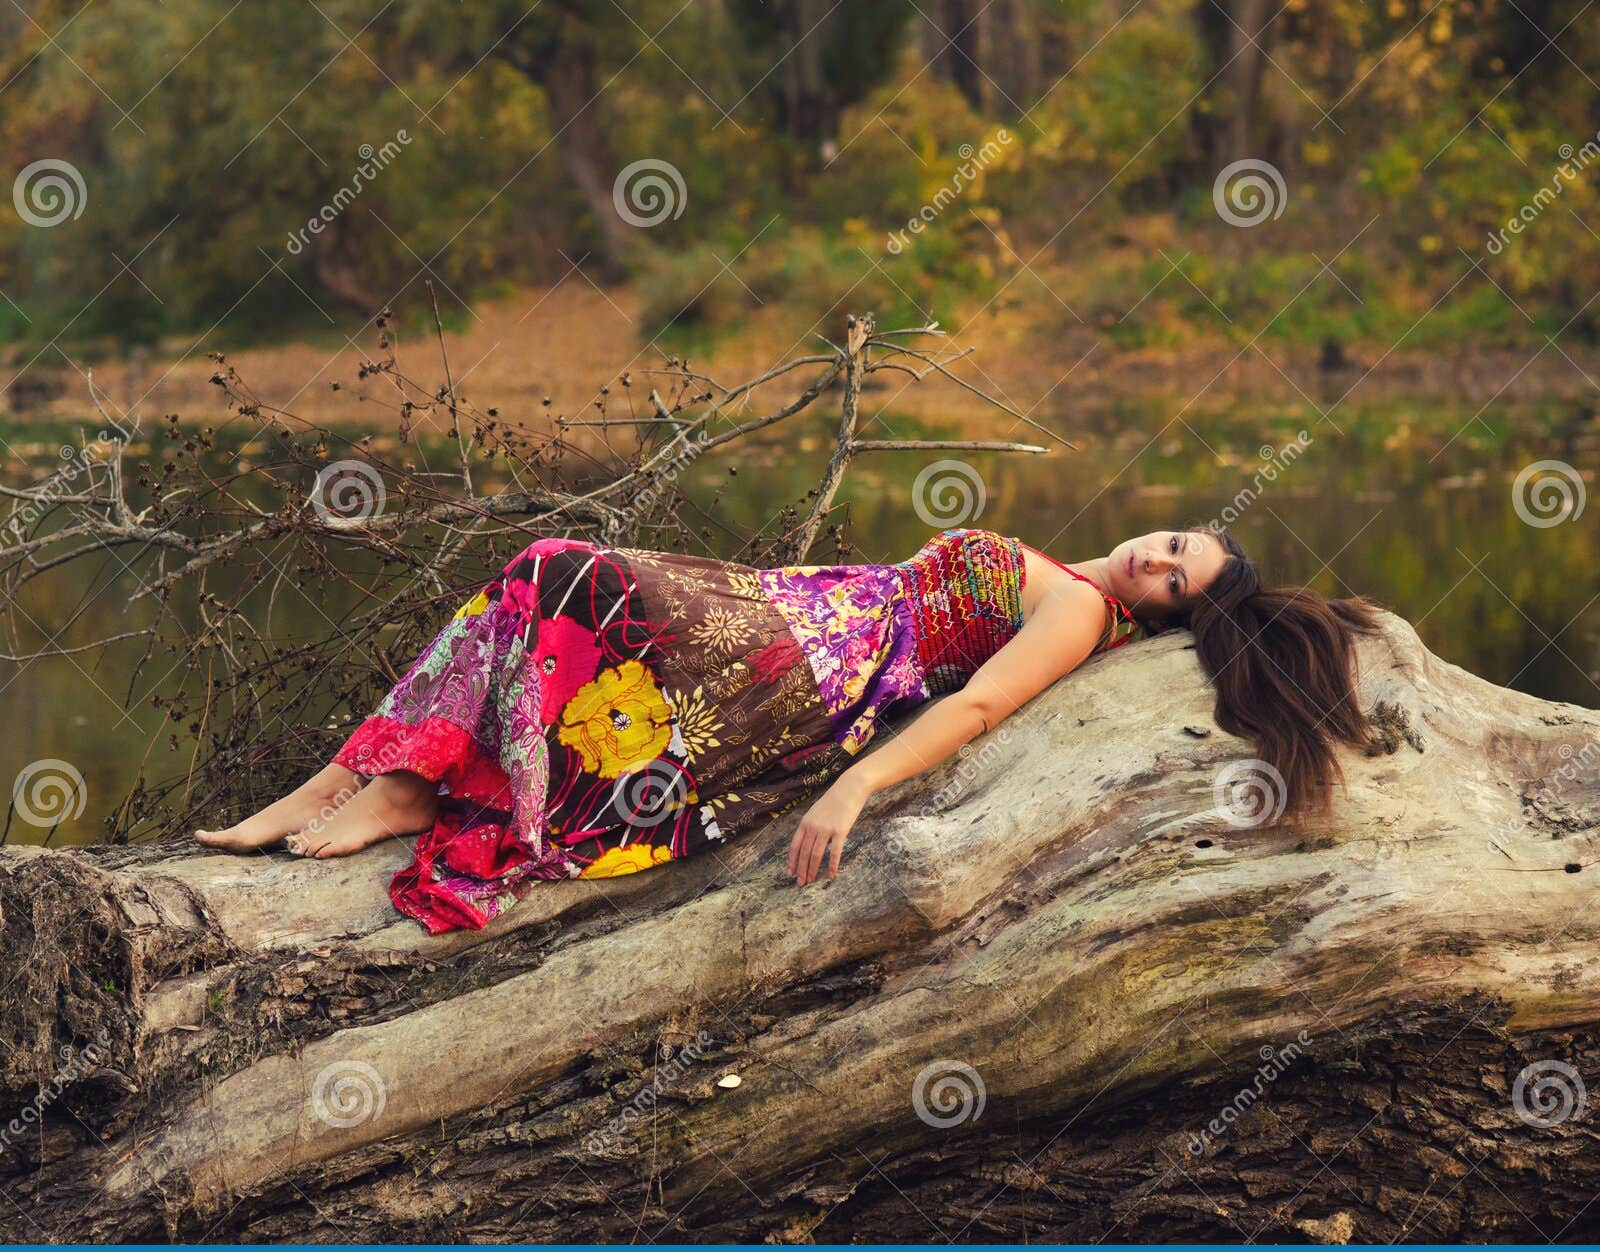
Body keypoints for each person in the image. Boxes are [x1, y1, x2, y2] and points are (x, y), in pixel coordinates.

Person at [195, 526, 1381, 933]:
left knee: (558, 573)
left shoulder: (1075, 609)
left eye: (1175, 582)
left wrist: (853, 790)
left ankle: (397, 790)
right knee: (533, 583)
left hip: (812, 672)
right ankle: (343, 781)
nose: (1156, 562)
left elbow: (973, 705)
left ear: (1167, 612)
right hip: (792, 614)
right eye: (1177, 547)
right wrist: (752, 581)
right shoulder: (1076, 572)